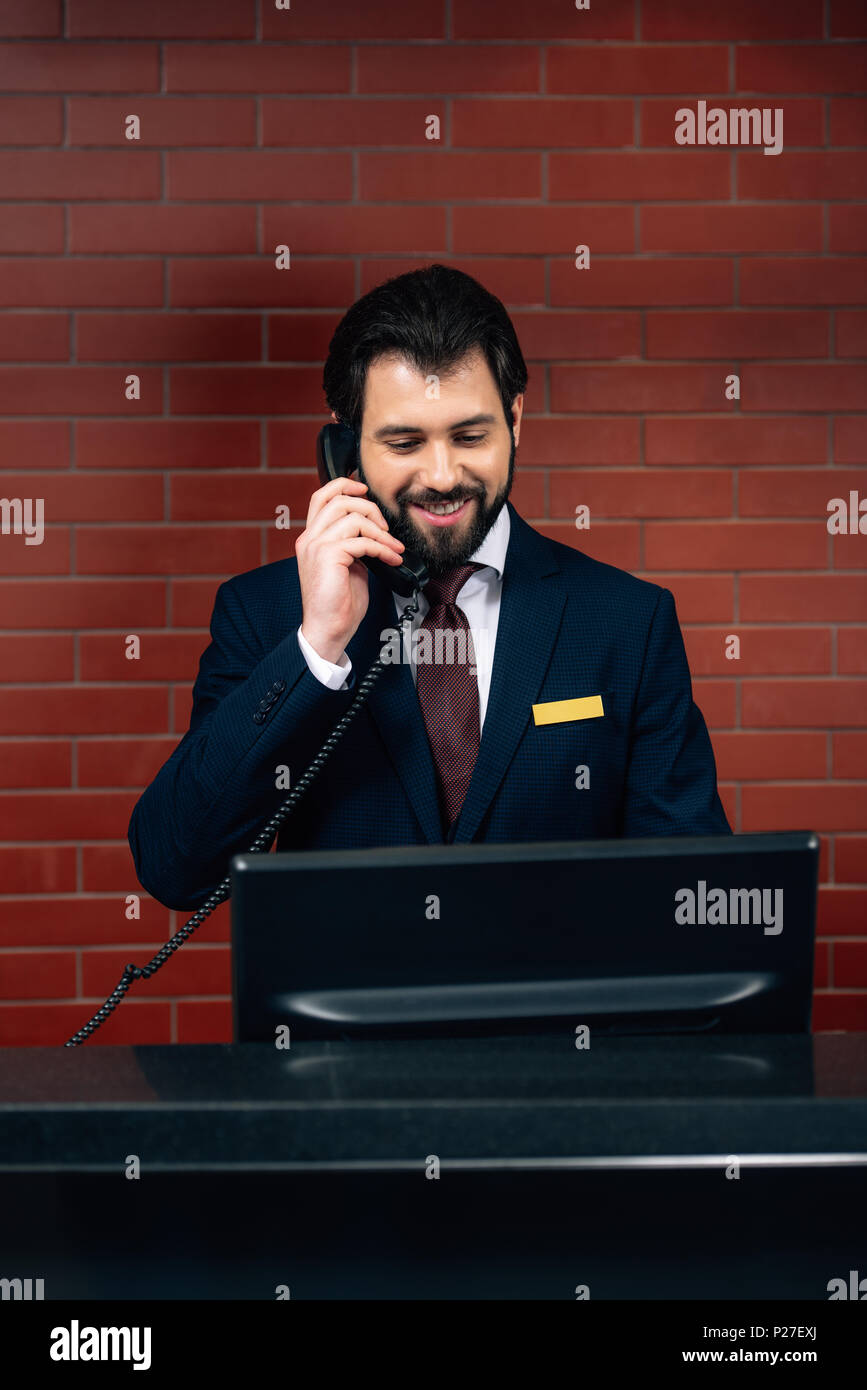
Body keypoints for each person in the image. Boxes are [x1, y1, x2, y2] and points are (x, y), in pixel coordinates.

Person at [129, 264, 730, 912]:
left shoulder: (626, 622)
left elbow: (690, 897)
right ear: (344, 442)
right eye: (404, 441)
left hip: (560, 1014)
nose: (442, 476)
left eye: (470, 436)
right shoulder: (266, 614)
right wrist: (319, 647)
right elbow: (175, 868)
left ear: (515, 419)